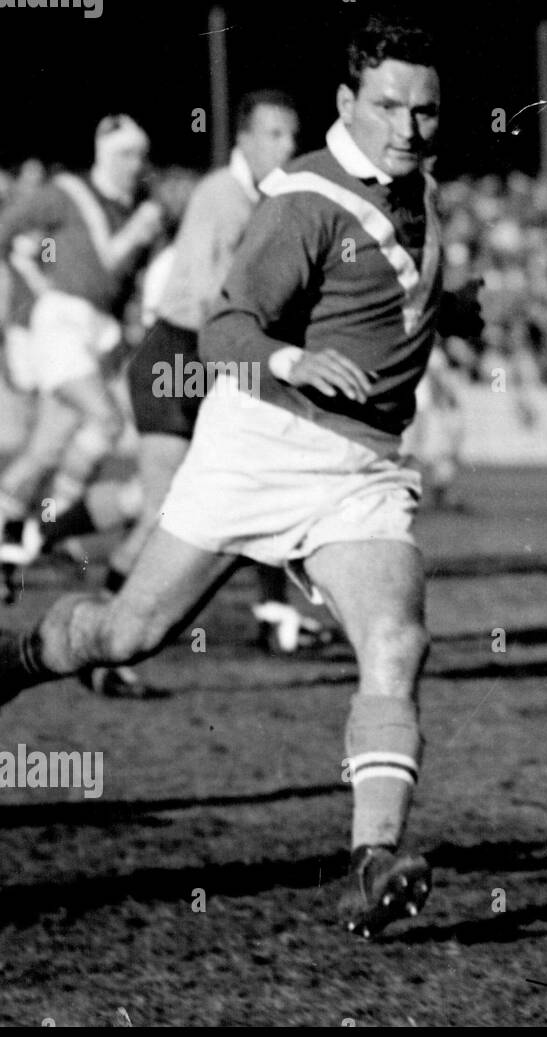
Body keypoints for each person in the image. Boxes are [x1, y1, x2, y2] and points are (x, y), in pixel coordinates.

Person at [0, 16, 466, 940]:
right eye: (388, 107)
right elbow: (226, 328)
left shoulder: (416, 182)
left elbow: (384, 291)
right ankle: (13, 661)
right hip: (260, 446)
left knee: (396, 640)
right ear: (347, 104)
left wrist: (457, 309)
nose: (410, 127)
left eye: (426, 110)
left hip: (362, 469)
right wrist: (294, 364)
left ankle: (374, 861)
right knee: (129, 632)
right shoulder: (302, 201)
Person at [106, 89, 336, 671]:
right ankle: (103, 637)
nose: (288, 147)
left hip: (210, 358)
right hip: (176, 359)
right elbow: (215, 299)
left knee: (252, 482)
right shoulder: (222, 196)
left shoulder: (265, 199)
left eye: (293, 136)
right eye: (275, 135)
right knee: (164, 514)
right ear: (244, 139)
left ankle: (268, 615)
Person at [0, 117, 164, 606]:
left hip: (100, 332)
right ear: (103, 153)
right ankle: (49, 527)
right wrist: (32, 279)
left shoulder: (135, 206)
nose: (134, 166)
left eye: (140, 156)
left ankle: (13, 536)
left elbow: (119, 280)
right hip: (61, 326)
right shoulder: (66, 192)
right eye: (125, 155)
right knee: (106, 420)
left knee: (46, 450)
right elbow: (8, 230)